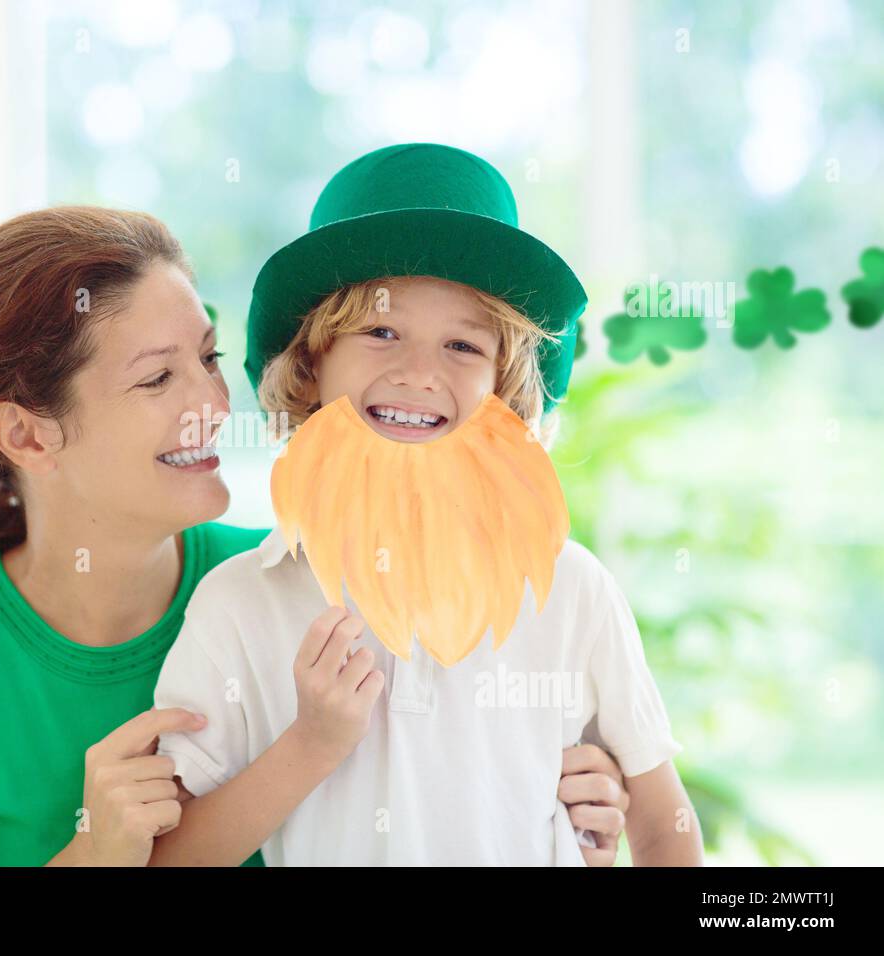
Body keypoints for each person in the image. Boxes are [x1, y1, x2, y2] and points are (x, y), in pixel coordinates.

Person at [0, 202, 632, 866]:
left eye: (209, 357)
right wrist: (95, 854)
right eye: (157, 378)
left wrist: (571, 808)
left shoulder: (305, 578)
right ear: (28, 435)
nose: (215, 404)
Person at [150, 144, 701, 865]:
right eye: (379, 331)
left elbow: (664, 825)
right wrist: (309, 744)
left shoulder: (572, 591)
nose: (418, 372)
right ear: (311, 365)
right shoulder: (242, 603)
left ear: (505, 387)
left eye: (464, 346)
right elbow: (169, 856)